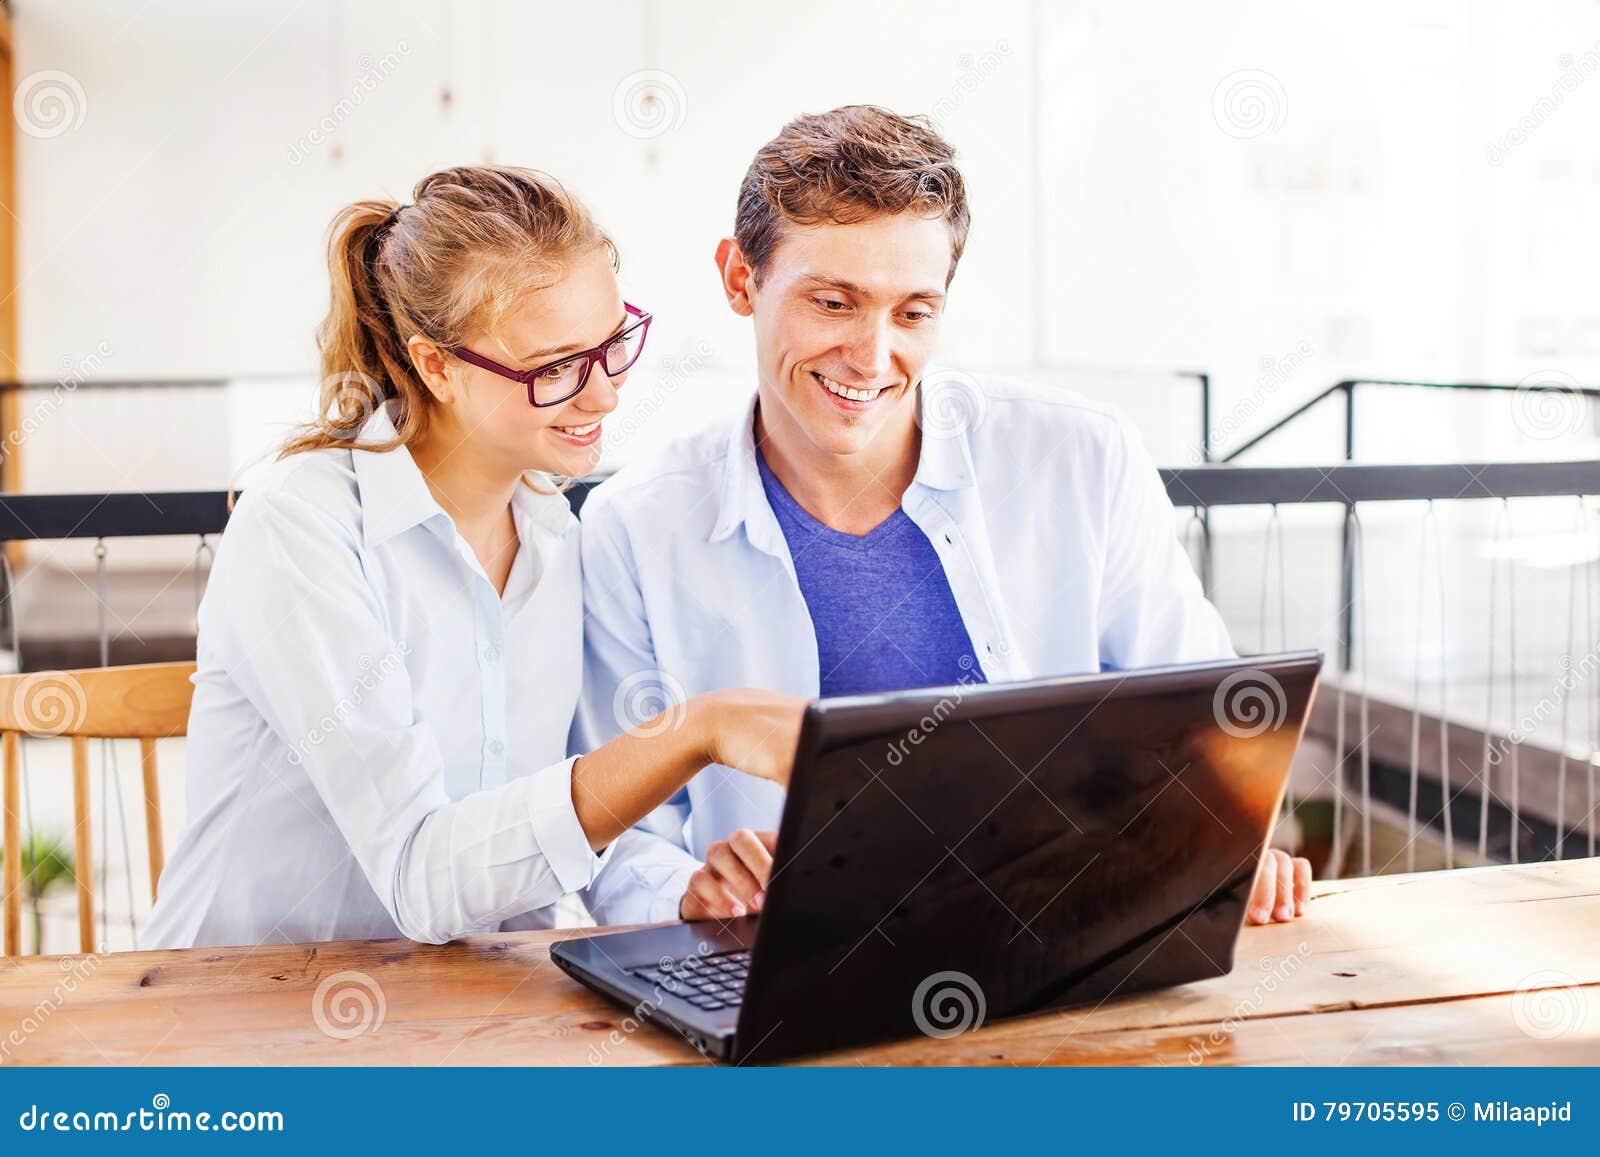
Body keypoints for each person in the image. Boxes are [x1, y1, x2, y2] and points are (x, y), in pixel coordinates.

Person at [577, 107, 1312, 929]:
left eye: (914, 313)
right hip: (791, 967)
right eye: (833, 302)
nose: (871, 356)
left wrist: (1220, 839)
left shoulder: (1082, 458)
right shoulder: (635, 529)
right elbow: (613, 838)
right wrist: (688, 889)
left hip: (1062, 942)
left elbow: (1202, 725)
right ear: (740, 279)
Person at [142, 166, 804, 949]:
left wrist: (682, 887)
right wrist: (697, 729)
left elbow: (565, 806)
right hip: (239, 1000)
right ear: (437, 365)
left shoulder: (556, 537)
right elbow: (421, 880)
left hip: (474, 994)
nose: (604, 396)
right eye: (555, 368)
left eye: (611, 345)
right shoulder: (301, 528)